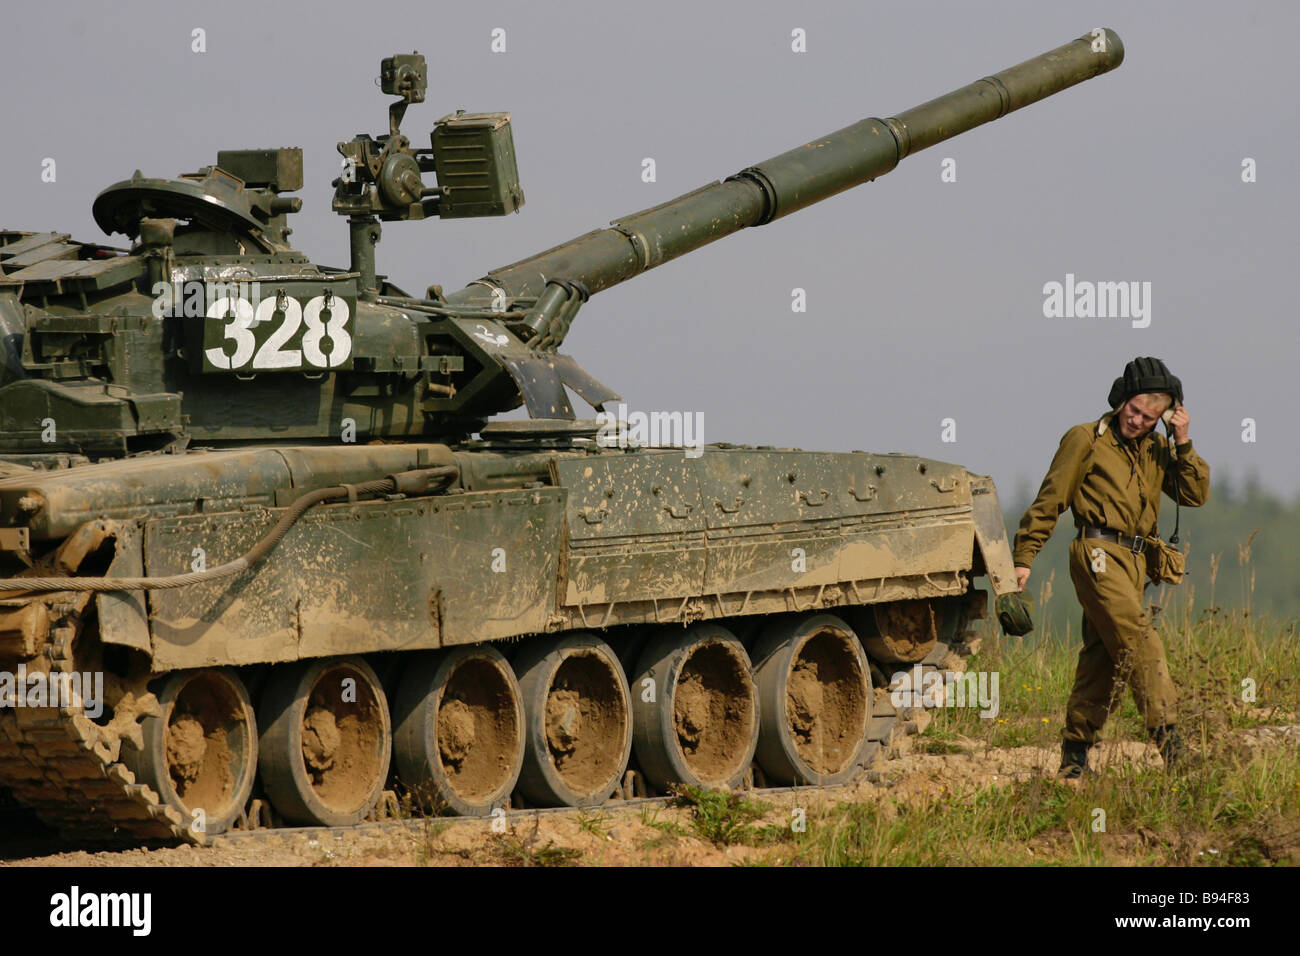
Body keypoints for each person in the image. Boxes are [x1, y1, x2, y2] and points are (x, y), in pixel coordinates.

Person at [1011, 357, 1211, 777]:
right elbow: (1052, 499)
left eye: (1149, 416)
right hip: (1096, 552)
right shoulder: (1085, 439)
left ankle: (1074, 755)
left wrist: (1183, 441)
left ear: (1164, 417)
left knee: (1104, 655)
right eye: (1133, 409)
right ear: (1120, 398)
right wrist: (1024, 556)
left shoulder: (1159, 448)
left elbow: (1194, 495)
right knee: (1140, 639)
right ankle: (1170, 743)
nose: (1137, 421)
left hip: (1135, 560)